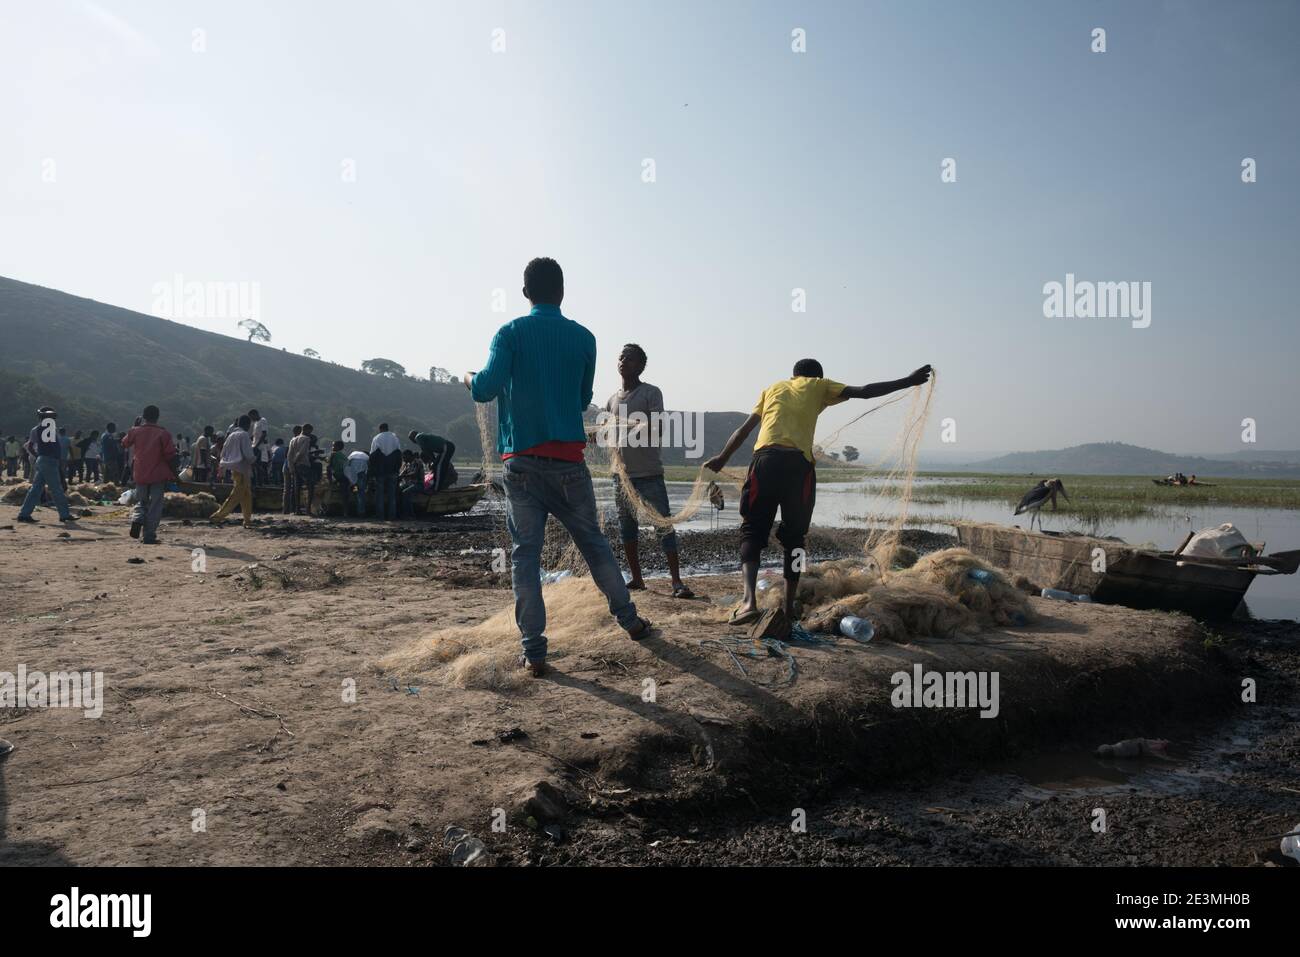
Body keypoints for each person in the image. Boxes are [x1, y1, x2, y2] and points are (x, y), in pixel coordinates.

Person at [466, 256, 649, 677]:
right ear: (562, 292)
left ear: (526, 292)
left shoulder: (510, 332)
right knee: (594, 544)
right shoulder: (584, 338)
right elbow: (583, 395)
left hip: (523, 466)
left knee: (525, 556)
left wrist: (467, 378)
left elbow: (486, 389)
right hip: (569, 463)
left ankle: (534, 652)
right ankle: (630, 620)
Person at [704, 359, 932, 637]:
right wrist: (908, 381)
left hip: (764, 462)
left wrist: (722, 458)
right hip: (798, 468)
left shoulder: (772, 388)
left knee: (752, 531)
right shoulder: (820, 385)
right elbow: (865, 391)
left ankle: (749, 601)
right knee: (796, 540)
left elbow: (743, 430)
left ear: (793, 375)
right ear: (818, 378)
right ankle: (788, 608)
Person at [603, 343, 693, 598]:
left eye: (630, 359)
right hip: (621, 477)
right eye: (621, 357)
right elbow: (609, 435)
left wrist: (629, 426)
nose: (624, 362)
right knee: (626, 527)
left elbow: (658, 427)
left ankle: (676, 582)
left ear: (641, 366)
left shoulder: (651, 393)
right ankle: (637, 579)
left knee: (663, 525)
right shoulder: (610, 400)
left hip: (649, 474)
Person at [121, 405, 178, 544]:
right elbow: (170, 455)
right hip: (158, 474)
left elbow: (124, 443)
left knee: (141, 501)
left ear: (144, 416)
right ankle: (149, 535)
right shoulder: (163, 434)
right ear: (157, 417)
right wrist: (175, 473)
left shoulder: (135, 431)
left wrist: (134, 427)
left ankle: (137, 518)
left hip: (140, 472)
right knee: (155, 504)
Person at [17, 407, 75, 524]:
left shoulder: (36, 429)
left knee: (36, 489)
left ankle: (24, 514)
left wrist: (38, 456)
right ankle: (64, 514)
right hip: (49, 461)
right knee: (56, 489)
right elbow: (52, 447)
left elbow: (29, 446)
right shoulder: (49, 429)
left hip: (43, 460)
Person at [209, 415, 256, 528]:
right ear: (248, 425)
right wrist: (254, 460)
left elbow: (223, 452)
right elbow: (248, 454)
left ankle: (247, 520)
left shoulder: (231, 435)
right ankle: (217, 516)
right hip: (242, 468)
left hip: (235, 468)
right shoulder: (244, 435)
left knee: (246, 495)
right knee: (236, 495)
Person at [369, 423, 401, 520]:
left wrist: (373, 470)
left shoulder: (377, 438)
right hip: (392, 470)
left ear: (380, 429)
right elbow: (399, 454)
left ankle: (380, 516)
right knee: (392, 494)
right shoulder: (395, 438)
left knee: (380, 494)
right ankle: (392, 516)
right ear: (388, 428)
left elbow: (372, 455)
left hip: (380, 470)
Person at [284, 424, 315, 514]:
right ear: (307, 430)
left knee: (297, 487)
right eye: (310, 431)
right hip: (303, 464)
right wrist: (295, 461)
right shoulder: (306, 439)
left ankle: (297, 510)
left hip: (295, 466)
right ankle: (308, 509)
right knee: (310, 485)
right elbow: (302, 452)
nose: (310, 433)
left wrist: (291, 466)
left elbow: (289, 455)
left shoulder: (293, 439)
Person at [397, 449, 425, 518]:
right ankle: (400, 512)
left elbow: (414, 474)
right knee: (397, 490)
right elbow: (402, 474)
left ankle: (409, 514)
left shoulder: (417, 462)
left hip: (418, 484)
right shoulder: (407, 464)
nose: (403, 459)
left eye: (404, 457)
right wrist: (397, 477)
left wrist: (402, 476)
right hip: (410, 484)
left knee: (405, 492)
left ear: (409, 456)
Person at [327, 441, 350, 515]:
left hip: (340, 476)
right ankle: (345, 511)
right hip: (346, 476)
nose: (332, 447)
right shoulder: (344, 456)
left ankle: (344, 511)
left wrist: (330, 480)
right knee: (345, 494)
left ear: (338, 447)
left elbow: (329, 467)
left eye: (333, 446)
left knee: (344, 494)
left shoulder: (333, 454)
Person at [345, 449, 369, 517]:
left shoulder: (352, 455)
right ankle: (361, 512)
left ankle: (354, 510)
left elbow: (347, 467)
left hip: (354, 478)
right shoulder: (365, 457)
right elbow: (368, 469)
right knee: (361, 493)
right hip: (361, 476)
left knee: (355, 492)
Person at [248, 409, 269, 485]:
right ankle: (257, 482)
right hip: (254, 445)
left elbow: (264, 434)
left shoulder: (262, 420)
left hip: (259, 447)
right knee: (254, 465)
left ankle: (261, 482)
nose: (251, 419)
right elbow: (254, 436)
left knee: (258, 465)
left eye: (251, 417)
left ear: (255, 414)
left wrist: (256, 446)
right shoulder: (256, 423)